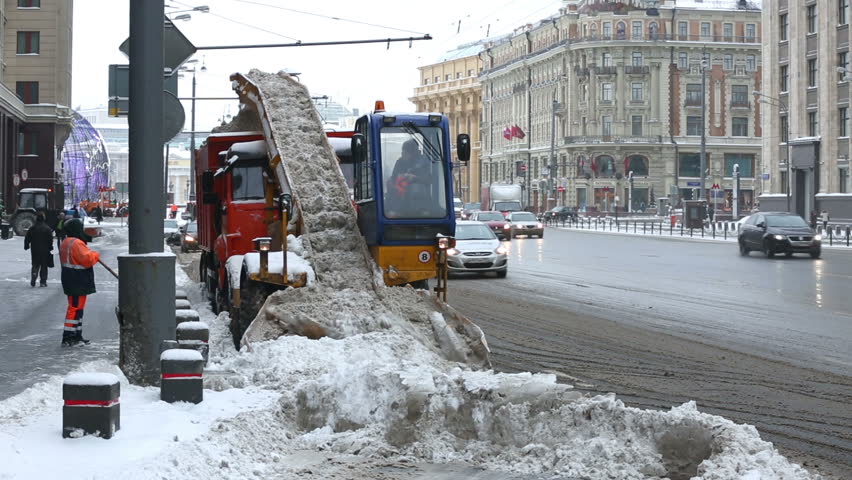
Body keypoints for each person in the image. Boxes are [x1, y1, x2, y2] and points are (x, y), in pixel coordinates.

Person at [59, 218, 100, 346]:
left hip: (71, 279)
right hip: (77, 280)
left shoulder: (66, 242)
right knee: (75, 308)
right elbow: (87, 259)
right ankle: (69, 336)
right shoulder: (76, 243)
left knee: (78, 308)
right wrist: (95, 255)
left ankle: (77, 334)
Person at [386, 139, 432, 216]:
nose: (403, 154)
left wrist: (415, 178)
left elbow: (430, 179)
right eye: (403, 152)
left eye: (406, 152)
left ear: (413, 152)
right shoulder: (400, 162)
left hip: (421, 203)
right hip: (401, 203)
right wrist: (397, 179)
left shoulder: (425, 161)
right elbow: (393, 178)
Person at [23, 213, 54, 287]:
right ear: (43, 219)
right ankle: (43, 282)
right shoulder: (47, 228)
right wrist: (50, 247)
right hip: (45, 250)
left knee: (35, 264)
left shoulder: (32, 228)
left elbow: (27, 238)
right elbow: (50, 239)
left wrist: (26, 246)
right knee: (44, 266)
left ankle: (33, 277)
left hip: (35, 250)